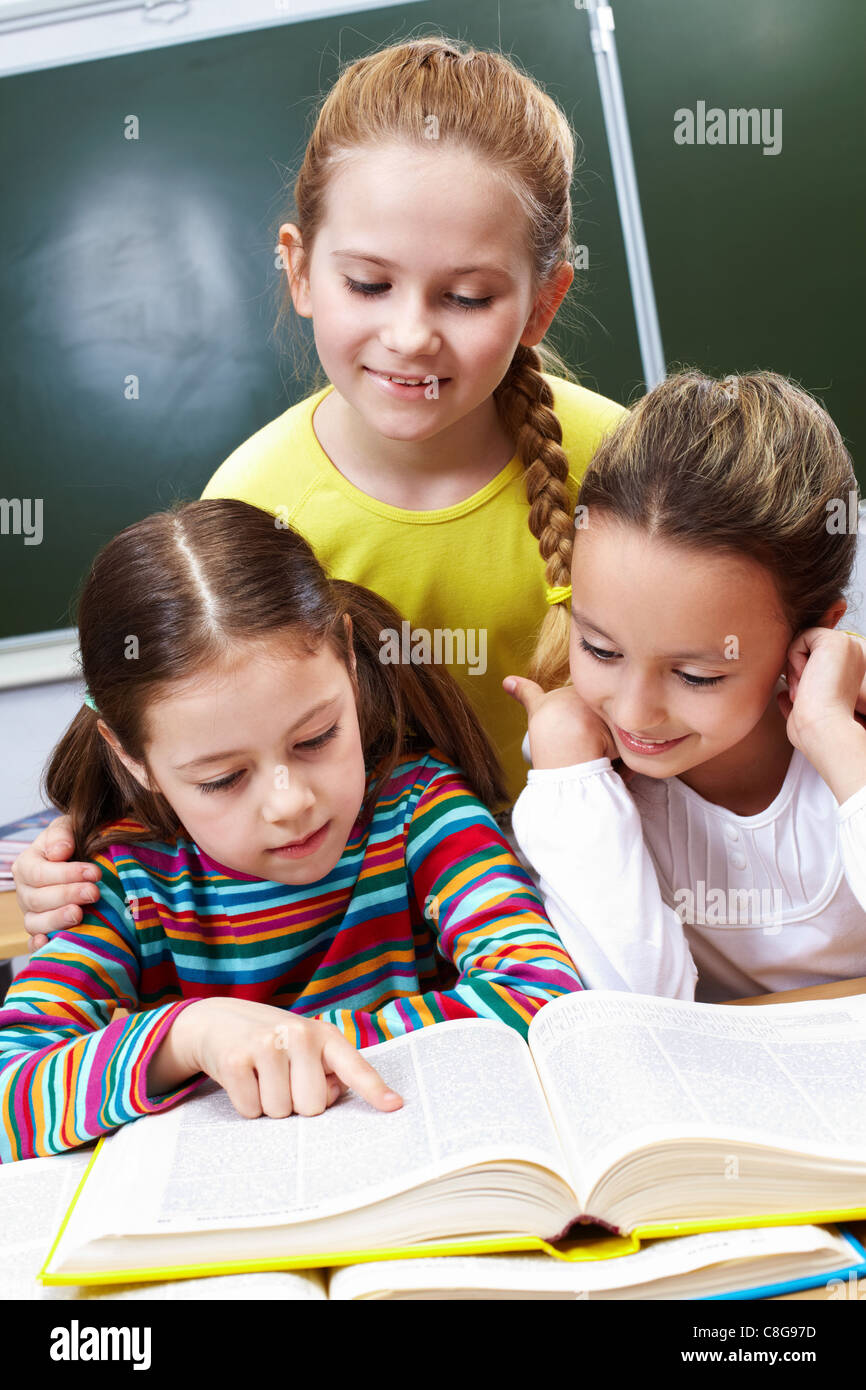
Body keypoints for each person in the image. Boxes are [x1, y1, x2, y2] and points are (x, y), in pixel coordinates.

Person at [12, 36, 628, 944]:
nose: (411, 335)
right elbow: (173, 733)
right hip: (387, 939)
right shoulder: (256, 501)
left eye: (467, 297)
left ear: (542, 302)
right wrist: (66, 851)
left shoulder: (623, 461)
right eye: (369, 283)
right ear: (299, 270)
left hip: (624, 907)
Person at [0, 499, 583, 1162]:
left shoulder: (423, 814)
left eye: (316, 738)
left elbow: (545, 994)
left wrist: (295, 1044)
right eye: (223, 779)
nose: (289, 803)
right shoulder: (119, 883)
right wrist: (189, 1036)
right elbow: (9, 1095)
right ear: (133, 757)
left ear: (349, 663)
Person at [504, 371, 866, 1001]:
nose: (637, 714)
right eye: (599, 648)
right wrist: (567, 765)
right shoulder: (583, 784)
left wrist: (834, 736)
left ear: (814, 635)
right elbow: (640, 1004)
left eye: (697, 675)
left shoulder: (847, 742)